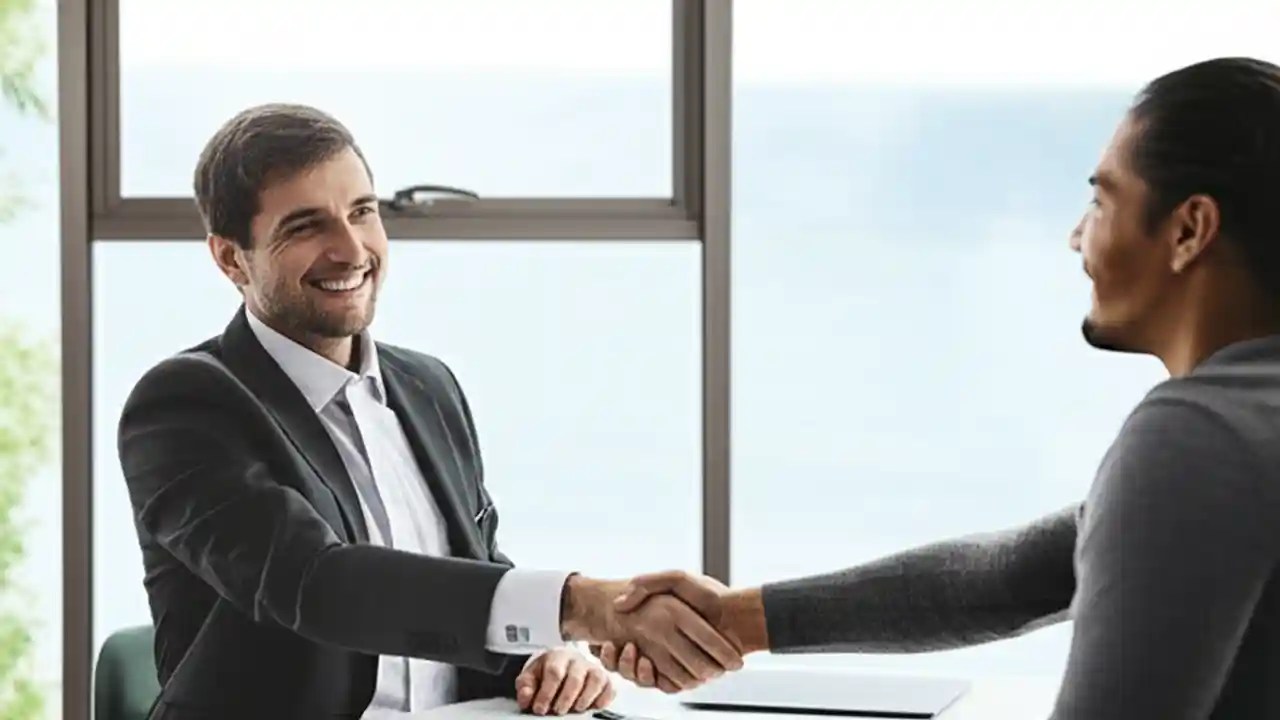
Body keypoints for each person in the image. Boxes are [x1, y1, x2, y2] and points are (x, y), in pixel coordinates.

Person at [595, 56, 1280, 719]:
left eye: (1103, 200)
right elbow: (1011, 577)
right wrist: (734, 620)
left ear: (1189, 229)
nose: (1077, 237)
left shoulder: (1195, 436)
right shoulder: (1248, 419)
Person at [115, 103, 741, 720]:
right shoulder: (185, 406)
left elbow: (472, 577)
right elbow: (317, 583)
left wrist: (541, 658)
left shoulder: (427, 386)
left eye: (363, 212)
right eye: (306, 227)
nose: (351, 249)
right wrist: (580, 604)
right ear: (231, 258)